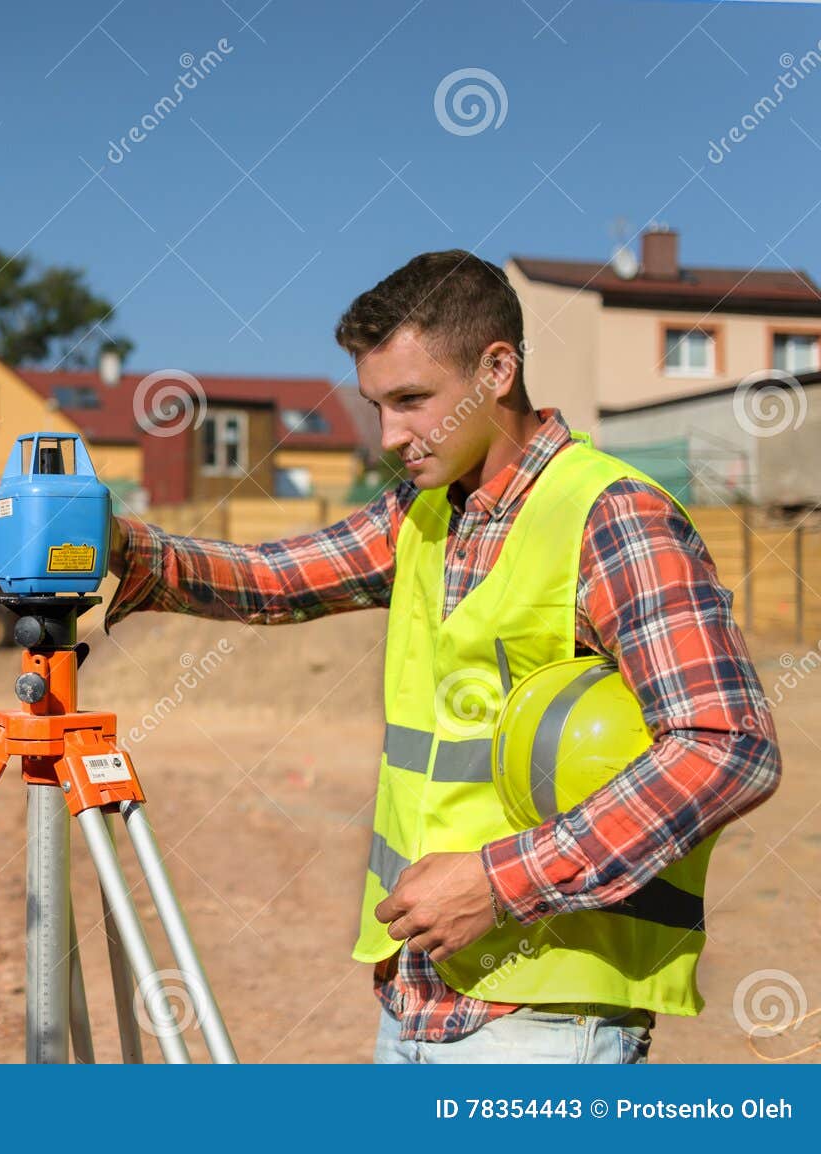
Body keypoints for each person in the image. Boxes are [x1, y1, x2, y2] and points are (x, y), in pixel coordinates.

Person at [90, 250, 781, 1063]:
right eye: (377, 405)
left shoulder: (610, 514)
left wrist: (500, 881)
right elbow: (274, 580)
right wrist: (116, 543)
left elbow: (727, 746)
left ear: (496, 369)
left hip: (545, 1023)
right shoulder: (419, 514)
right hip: (415, 1000)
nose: (390, 436)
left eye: (413, 401)